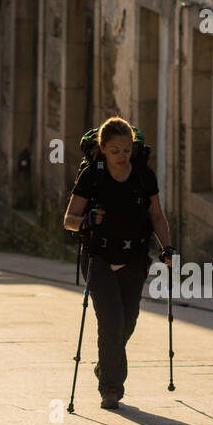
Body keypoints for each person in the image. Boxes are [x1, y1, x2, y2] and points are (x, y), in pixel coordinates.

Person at [63, 116, 174, 409]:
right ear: (103, 149)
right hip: (98, 257)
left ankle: (106, 363)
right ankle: (111, 388)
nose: (122, 156)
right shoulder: (92, 176)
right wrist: (87, 219)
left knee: (128, 322)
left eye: (127, 150)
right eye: (115, 151)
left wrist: (167, 248)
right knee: (111, 322)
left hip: (134, 258)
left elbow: (157, 216)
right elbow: (69, 220)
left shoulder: (143, 175)